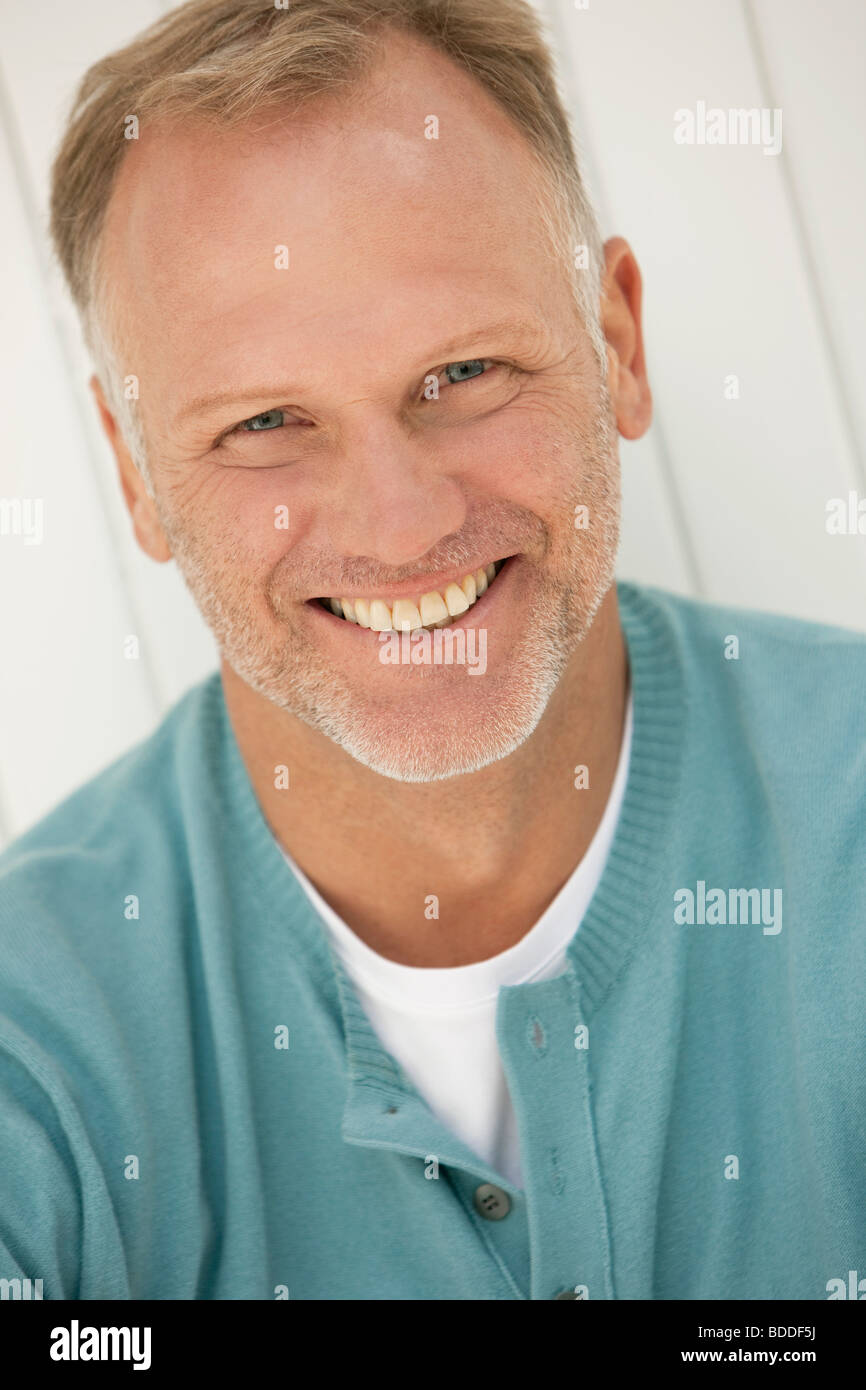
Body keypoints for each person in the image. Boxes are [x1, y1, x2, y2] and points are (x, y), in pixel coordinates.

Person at [0, 0, 863, 1302]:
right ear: (134, 471)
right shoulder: (35, 1031)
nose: (403, 523)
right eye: (267, 420)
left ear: (615, 344)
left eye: (461, 371)